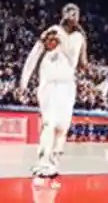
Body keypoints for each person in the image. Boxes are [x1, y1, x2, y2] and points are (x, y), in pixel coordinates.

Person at [21, 27, 77, 178]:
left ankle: (53, 162)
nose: (51, 42)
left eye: (54, 39)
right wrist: (23, 84)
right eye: (48, 40)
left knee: (61, 129)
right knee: (48, 125)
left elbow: (71, 47)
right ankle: (43, 161)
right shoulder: (44, 57)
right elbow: (30, 63)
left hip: (65, 93)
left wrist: (57, 31)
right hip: (49, 93)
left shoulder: (66, 53)